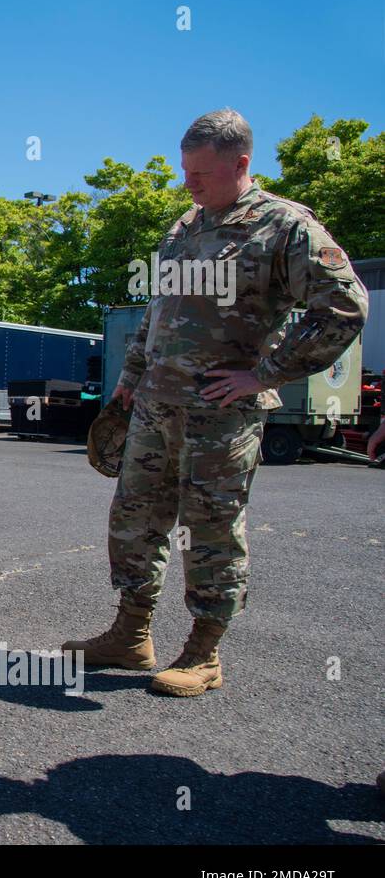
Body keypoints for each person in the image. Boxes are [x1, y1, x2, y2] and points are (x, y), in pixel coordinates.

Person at [62, 109, 368, 696]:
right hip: (154, 405)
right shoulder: (183, 228)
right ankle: (130, 636)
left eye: (200, 172)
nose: (189, 183)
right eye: (186, 170)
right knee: (134, 521)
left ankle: (204, 654)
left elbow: (345, 307)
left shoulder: (284, 226)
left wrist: (266, 374)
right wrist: (129, 378)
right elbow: (158, 313)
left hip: (220, 415)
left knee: (211, 528)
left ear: (241, 164)